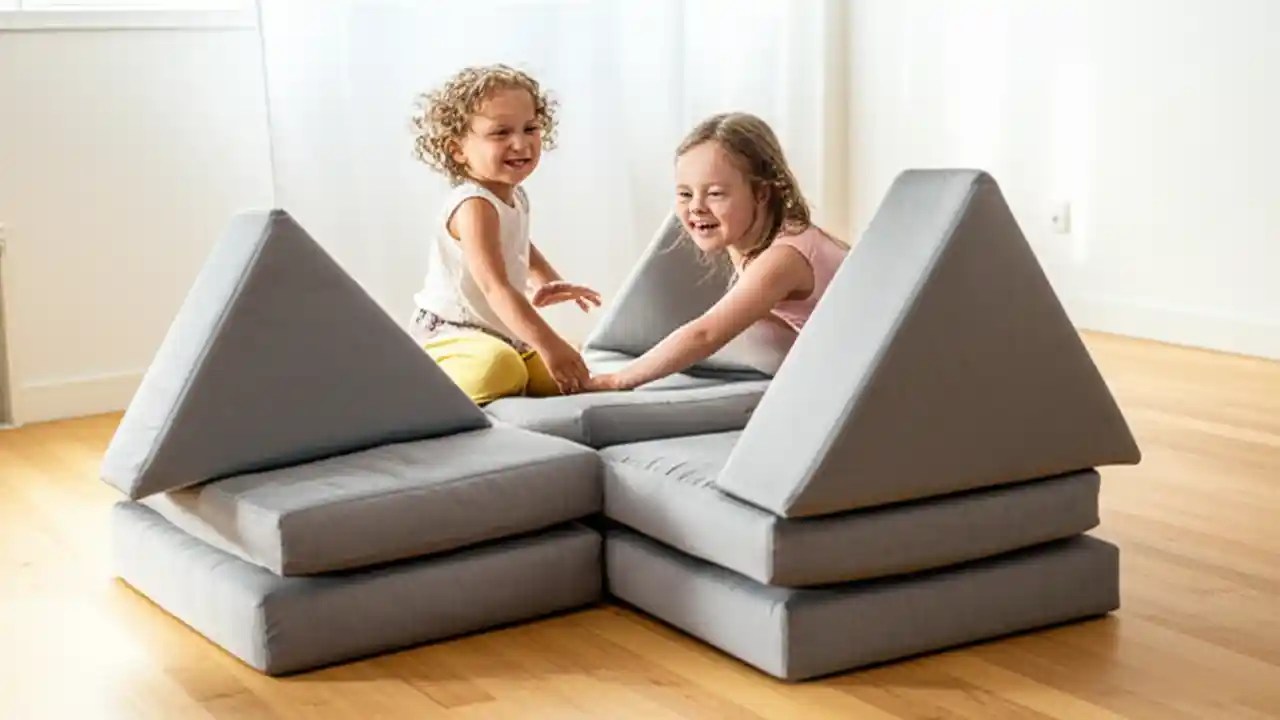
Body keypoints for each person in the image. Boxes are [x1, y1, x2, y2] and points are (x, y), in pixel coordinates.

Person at [585, 112, 848, 392]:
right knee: (748, 323)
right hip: (830, 356)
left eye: (715, 194)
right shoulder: (753, 236)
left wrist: (618, 379)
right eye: (685, 194)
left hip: (860, 376)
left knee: (732, 327)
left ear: (761, 193)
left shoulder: (784, 257)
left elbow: (705, 334)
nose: (696, 207)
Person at [408, 64, 600, 404]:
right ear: (457, 150)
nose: (520, 143)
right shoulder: (473, 205)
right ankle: (422, 380)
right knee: (504, 367)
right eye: (500, 133)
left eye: (531, 128)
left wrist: (544, 277)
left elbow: (516, 240)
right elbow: (494, 286)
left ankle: (514, 369)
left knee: (568, 368)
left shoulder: (513, 195)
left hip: (497, 330)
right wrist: (547, 342)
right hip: (454, 330)